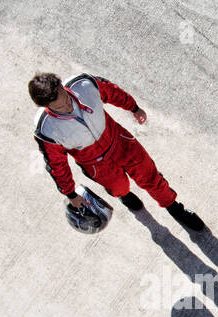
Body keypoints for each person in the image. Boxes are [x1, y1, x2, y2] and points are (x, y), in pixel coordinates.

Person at [30, 71, 204, 231]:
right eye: (60, 108)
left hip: (120, 141)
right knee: (118, 187)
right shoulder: (47, 130)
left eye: (66, 99)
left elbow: (112, 92)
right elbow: (56, 165)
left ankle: (175, 208)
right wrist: (70, 194)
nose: (67, 107)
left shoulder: (84, 85)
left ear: (62, 86)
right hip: (95, 163)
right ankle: (124, 195)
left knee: (150, 176)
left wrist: (133, 107)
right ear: (45, 106)